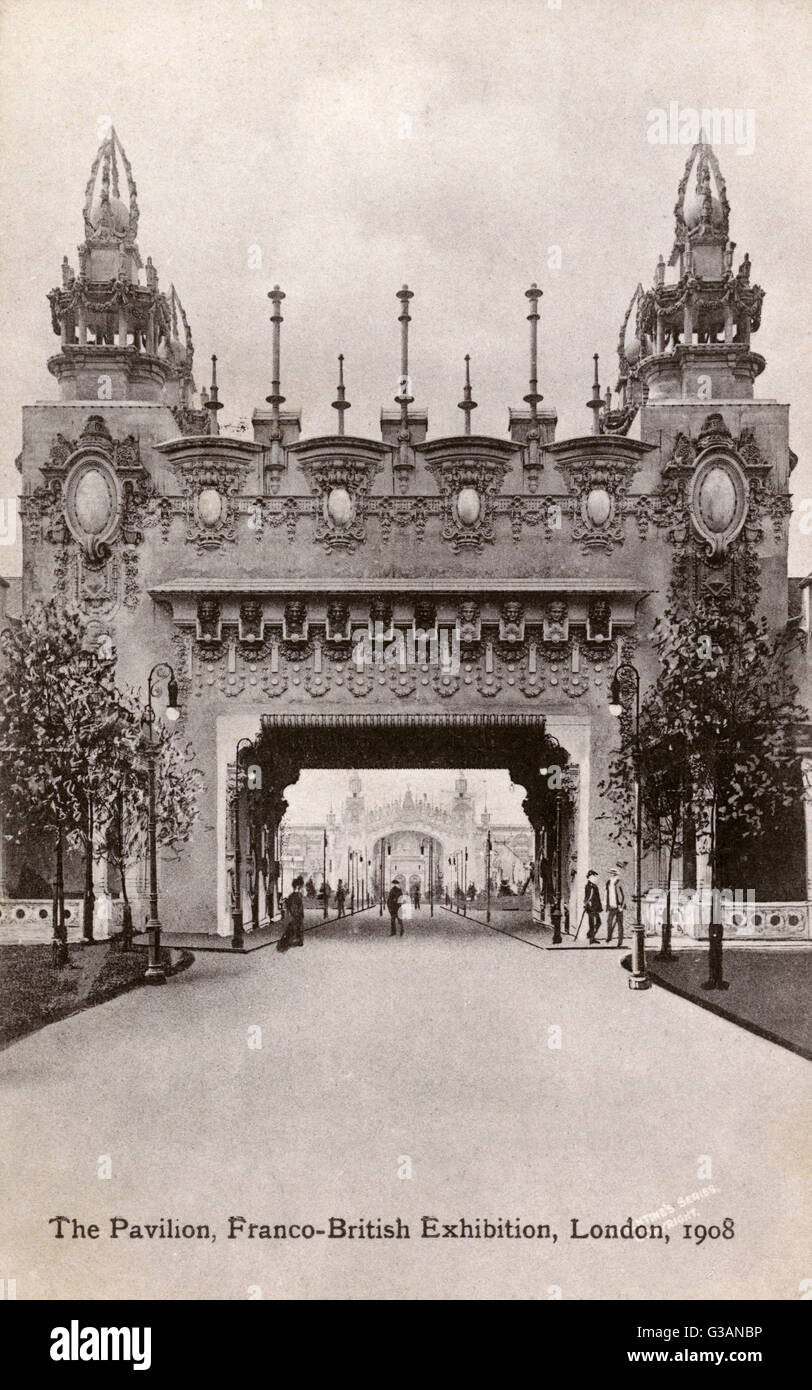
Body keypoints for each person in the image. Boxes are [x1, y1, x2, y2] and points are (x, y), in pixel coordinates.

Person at [276, 875, 305, 952]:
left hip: (295, 914)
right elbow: (296, 906)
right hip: (296, 914)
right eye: (300, 887)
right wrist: (297, 913)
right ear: (298, 886)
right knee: (295, 927)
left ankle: (296, 940)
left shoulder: (293, 895)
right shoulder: (297, 895)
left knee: (295, 927)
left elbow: (291, 905)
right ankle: (294, 940)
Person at [605, 868, 625, 947]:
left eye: (614, 873)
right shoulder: (609, 882)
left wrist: (621, 905)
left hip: (618, 906)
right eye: (611, 873)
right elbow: (606, 893)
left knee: (620, 924)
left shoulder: (619, 882)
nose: (612, 874)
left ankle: (620, 941)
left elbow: (623, 894)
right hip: (611, 905)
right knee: (609, 922)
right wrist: (606, 904)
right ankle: (609, 937)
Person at [584, 870, 602, 943]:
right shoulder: (591, 886)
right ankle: (591, 937)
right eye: (593, 877)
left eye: (595, 877)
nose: (595, 878)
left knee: (596, 922)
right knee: (595, 923)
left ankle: (590, 935)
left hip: (593, 907)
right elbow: (589, 896)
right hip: (592, 907)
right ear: (589, 878)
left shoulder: (591, 886)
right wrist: (587, 903)